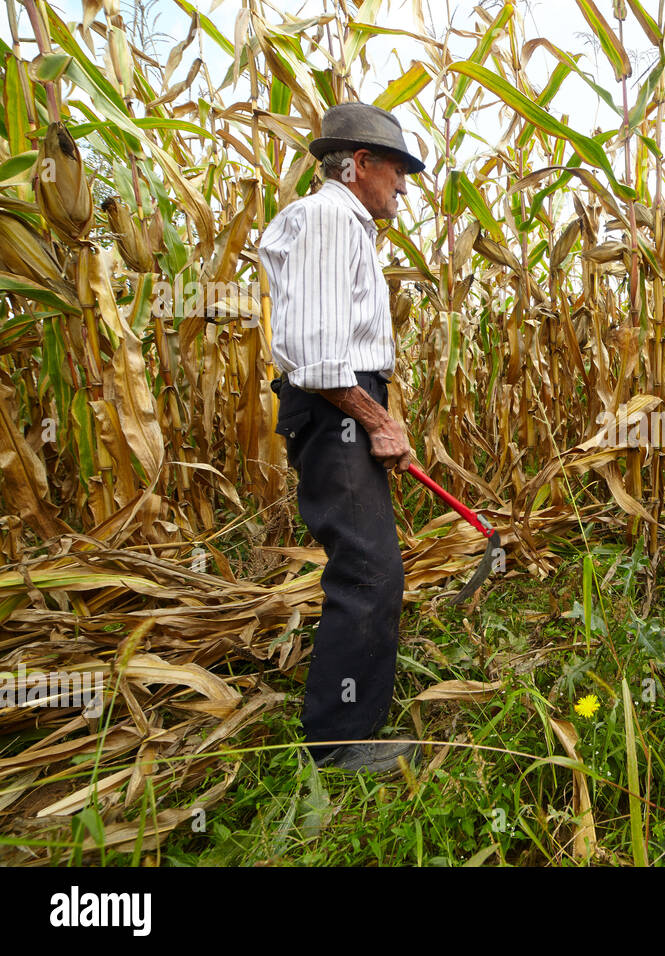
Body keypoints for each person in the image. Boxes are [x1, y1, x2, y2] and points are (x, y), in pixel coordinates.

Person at [259, 102, 425, 774]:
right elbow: (321, 358)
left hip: (344, 408)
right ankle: (338, 745)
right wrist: (379, 420)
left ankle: (350, 719)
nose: (403, 187)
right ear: (359, 166)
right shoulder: (330, 218)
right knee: (368, 569)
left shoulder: (341, 223)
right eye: (396, 170)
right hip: (338, 410)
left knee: (369, 563)